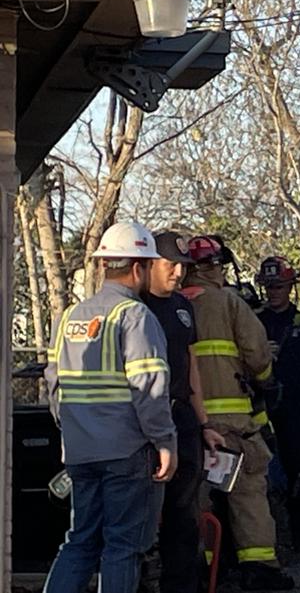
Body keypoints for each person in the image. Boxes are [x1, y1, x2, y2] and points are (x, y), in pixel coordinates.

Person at [43, 222, 177, 593]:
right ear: (138, 268)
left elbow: (55, 386)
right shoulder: (135, 317)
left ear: (104, 265)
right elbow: (149, 388)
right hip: (127, 452)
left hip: (81, 453)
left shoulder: (68, 318)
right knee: (122, 547)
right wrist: (165, 442)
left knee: (79, 542)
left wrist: (74, 430)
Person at [183, 236, 293, 591]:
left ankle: (201, 566)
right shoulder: (229, 302)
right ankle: (259, 566)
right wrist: (265, 381)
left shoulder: (165, 305)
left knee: (193, 497)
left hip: (186, 422)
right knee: (248, 492)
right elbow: (257, 353)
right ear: (215, 266)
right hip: (232, 423)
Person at [142, 231, 226, 593]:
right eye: (170, 264)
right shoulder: (134, 306)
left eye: (184, 266)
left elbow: (190, 365)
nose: (178, 272)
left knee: (184, 515)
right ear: (149, 264)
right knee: (142, 515)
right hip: (143, 422)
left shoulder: (182, 306)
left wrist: (204, 422)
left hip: (182, 421)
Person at [254, 256, 300, 551]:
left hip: (295, 410)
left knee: (299, 471)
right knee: (261, 474)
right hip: (260, 409)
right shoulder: (252, 322)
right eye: (269, 286)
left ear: (291, 286)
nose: (273, 292)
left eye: (279, 286)